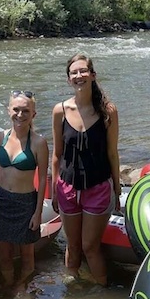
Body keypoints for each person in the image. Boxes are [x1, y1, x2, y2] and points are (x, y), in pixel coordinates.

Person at [51, 54, 120, 286]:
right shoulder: (60, 110)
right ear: (68, 79)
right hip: (67, 187)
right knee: (73, 246)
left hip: (98, 187)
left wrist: (117, 189)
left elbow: (112, 153)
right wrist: (55, 189)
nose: (79, 76)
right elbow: (57, 154)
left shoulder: (108, 111)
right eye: (74, 72)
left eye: (83, 71)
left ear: (92, 75)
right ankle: (71, 293)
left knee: (90, 247)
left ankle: (102, 293)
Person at [0, 92, 49, 286]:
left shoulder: (39, 143)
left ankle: (20, 288)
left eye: (26, 111)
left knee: (27, 256)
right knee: (5, 255)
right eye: (16, 109)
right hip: (2, 200)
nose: (20, 115)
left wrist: (38, 213)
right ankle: (8, 286)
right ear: (9, 111)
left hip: (25, 203)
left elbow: (42, 179)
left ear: (33, 114)